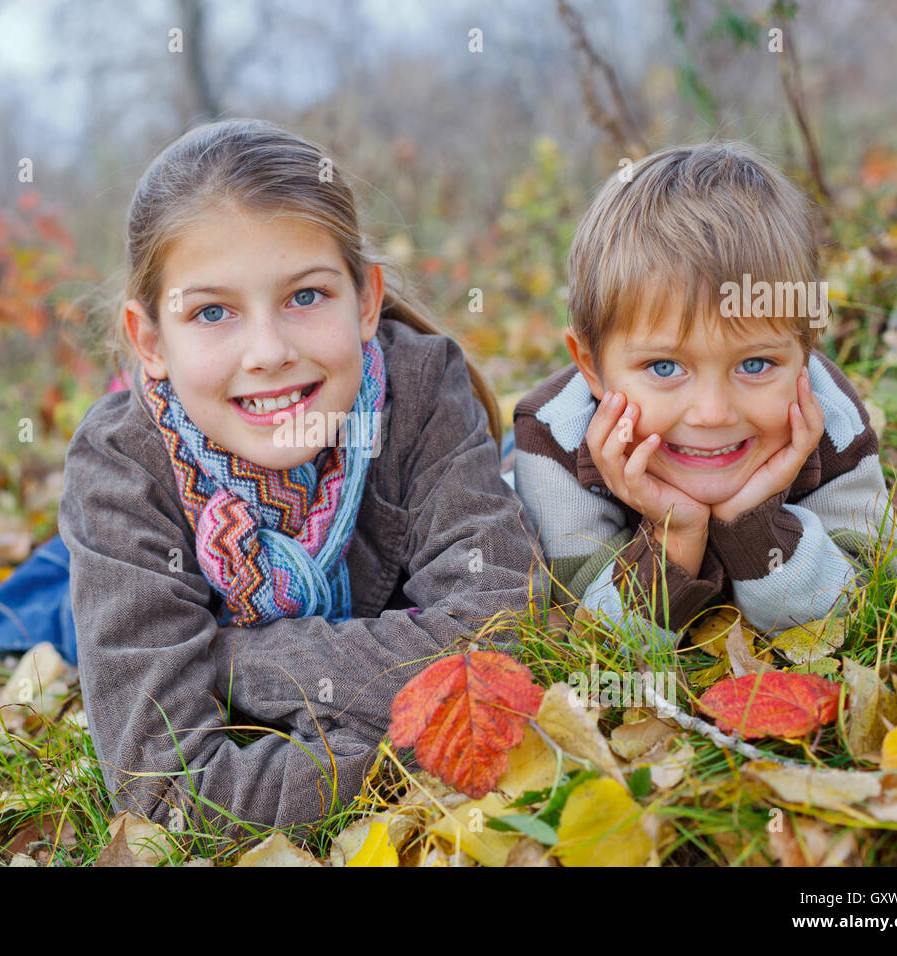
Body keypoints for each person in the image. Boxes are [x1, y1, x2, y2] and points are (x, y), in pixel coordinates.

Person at [56, 118, 543, 835]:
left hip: (243, 620)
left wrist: (239, 661)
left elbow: (508, 637)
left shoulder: (419, 390)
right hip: (146, 559)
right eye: (213, 311)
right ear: (150, 340)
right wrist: (415, 750)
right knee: (40, 612)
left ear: (366, 300)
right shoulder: (121, 471)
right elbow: (165, 794)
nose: (268, 351)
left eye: (306, 296)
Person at [512, 141, 897, 652]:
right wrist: (674, 539)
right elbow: (587, 641)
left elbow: (866, 603)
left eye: (754, 364)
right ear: (591, 365)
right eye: (665, 367)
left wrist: (753, 522)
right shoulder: (553, 436)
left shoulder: (827, 414)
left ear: (806, 349)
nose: (713, 413)